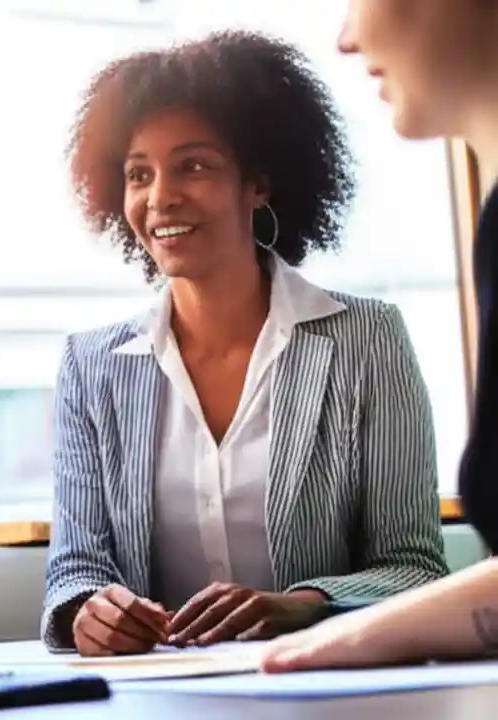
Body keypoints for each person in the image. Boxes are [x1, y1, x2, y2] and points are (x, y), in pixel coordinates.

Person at [41, 30, 448, 657]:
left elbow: (413, 566)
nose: (160, 197)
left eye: (193, 166)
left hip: (321, 685)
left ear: (258, 183)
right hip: (159, 697)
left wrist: (301, 605)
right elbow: (75, 572)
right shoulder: (90, 367)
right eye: (137, 174)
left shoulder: (369, 340)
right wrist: (90, 612)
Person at [262, 0, 498, 672]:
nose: (343, 37)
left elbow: (407, 559)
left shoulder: (368, 334)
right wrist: (337, 642)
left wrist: (322, 615)